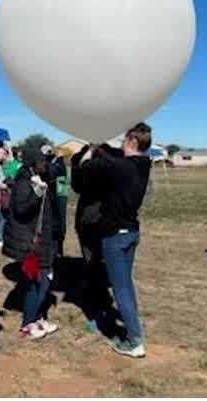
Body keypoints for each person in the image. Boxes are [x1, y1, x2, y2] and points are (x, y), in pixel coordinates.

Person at [78, 122, 152, 358]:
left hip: (115, 236)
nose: (121, 143)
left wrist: (91, 149)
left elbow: (85, 168)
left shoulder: (122, 167)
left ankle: (134, 341)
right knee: (126, 285)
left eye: (124, 140)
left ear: (132, 141)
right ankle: (135, 329)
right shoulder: (143, 164)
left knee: (120, 289)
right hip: (131, 232)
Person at [3, 148, 61, 340]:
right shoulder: (23, 182)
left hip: (44, 238)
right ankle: (28, 323)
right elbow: (20, 209)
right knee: (38, 282)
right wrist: (36, 194)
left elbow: (56, 172)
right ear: (32, 163)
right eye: (42, 161)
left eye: (47, 160)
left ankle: (38, 317)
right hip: (31, 241)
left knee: (44, 280)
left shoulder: (42, 177)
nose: (46, 164)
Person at [70, 142, 116, 336]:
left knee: (97, 263)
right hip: (94, 217)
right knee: (96, 262)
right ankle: (100, 302)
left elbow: (77, 185)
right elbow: (77, 185)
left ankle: (101, 304)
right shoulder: (111, 156)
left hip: (100, 217)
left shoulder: (106, 156)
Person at [42, 145, 70, 257]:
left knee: (60, 218)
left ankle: (59, 246)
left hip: (60, 192)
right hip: (54, 193)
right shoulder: (53, 164)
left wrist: (60, 159)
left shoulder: (57, 164)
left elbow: (62, 175)